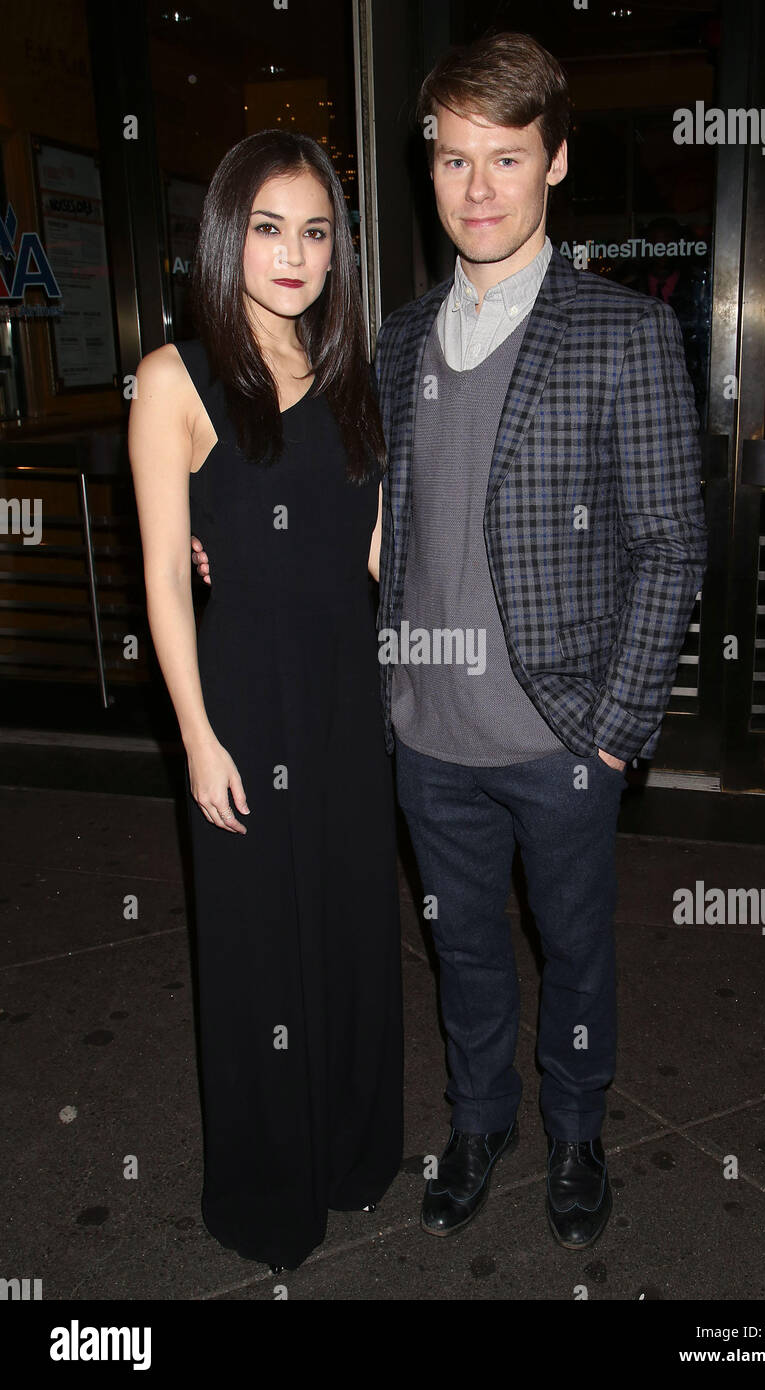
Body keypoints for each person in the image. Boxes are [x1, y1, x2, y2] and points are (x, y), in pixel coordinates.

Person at [194, 32, 708, 1254]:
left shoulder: (621, 336)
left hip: (562, 734)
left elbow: (674, 546)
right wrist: (228, 546)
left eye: (507, 159)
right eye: (455, 159)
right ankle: (481, 1123)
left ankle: (578, 1133)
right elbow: (328, 503)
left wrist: (615, 737)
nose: (478, 189)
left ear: (556, 164)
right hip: (422, 737)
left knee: (575, 955)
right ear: (429, 172)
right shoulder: (398, 342)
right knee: (463, 952)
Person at [129, 129, 403, 1273]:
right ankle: (266, 1186)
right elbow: (162, 580)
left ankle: (352, 1152)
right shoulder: (174, 378)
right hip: (242, 704)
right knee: (255, 954)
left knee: (348, 933)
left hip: (349, 707)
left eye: (317, 230)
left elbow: (377, 554)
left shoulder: (354, 374)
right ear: (226, 234)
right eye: (269, 226)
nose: (294, 254)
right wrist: (196, 736)